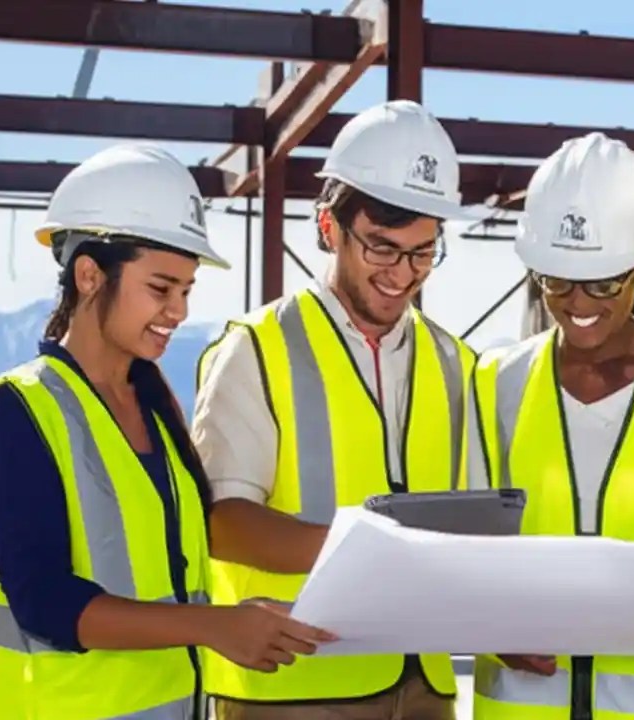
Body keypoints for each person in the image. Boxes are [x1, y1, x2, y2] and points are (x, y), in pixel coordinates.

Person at [0, 144, 333, 720]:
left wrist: (240, 616)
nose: (177, 311)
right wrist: (216, 626)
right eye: (160, 288)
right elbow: (44, 601)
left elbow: (177, 560)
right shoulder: (18, 410)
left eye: (186, 290)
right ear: (88, 275)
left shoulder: (154, 402)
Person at [191, 100, 478, 720]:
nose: (403, 275)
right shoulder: (257, 348)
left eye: (423, 253)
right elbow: (221, 523)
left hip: (423, 682)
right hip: (293, 683)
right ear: (329, 228)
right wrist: (369, 554)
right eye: (382, 248)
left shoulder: (455, 361)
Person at [467, 132, 634, 720]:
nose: (577, 302)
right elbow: (465, 552)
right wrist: (488, 626)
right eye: (557, 280)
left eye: (603, 281)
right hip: (523, 706)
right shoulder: (495, 379)